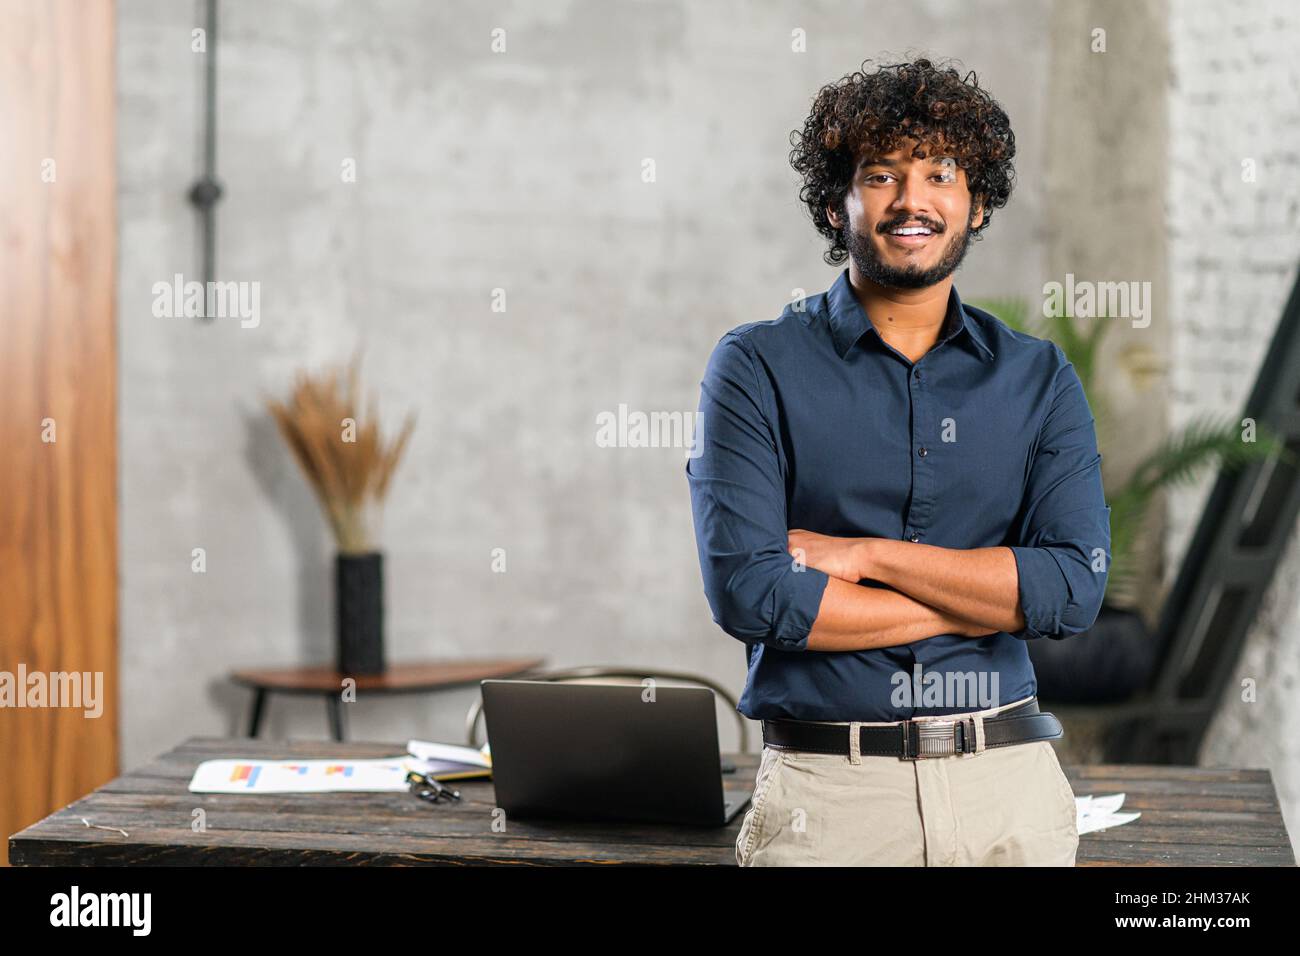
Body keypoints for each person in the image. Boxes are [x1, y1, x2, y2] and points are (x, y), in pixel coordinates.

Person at [686, 57, 1110, 866]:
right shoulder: (754, 367)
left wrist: (866, 557)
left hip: (1010, 791)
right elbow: (754, 592)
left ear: (976, 201)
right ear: (835, 201)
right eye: (882, 174)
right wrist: (989, 598)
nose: (913, 200)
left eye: (941, 174)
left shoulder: (1038, 378)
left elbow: (1072, 587)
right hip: (828, 799)